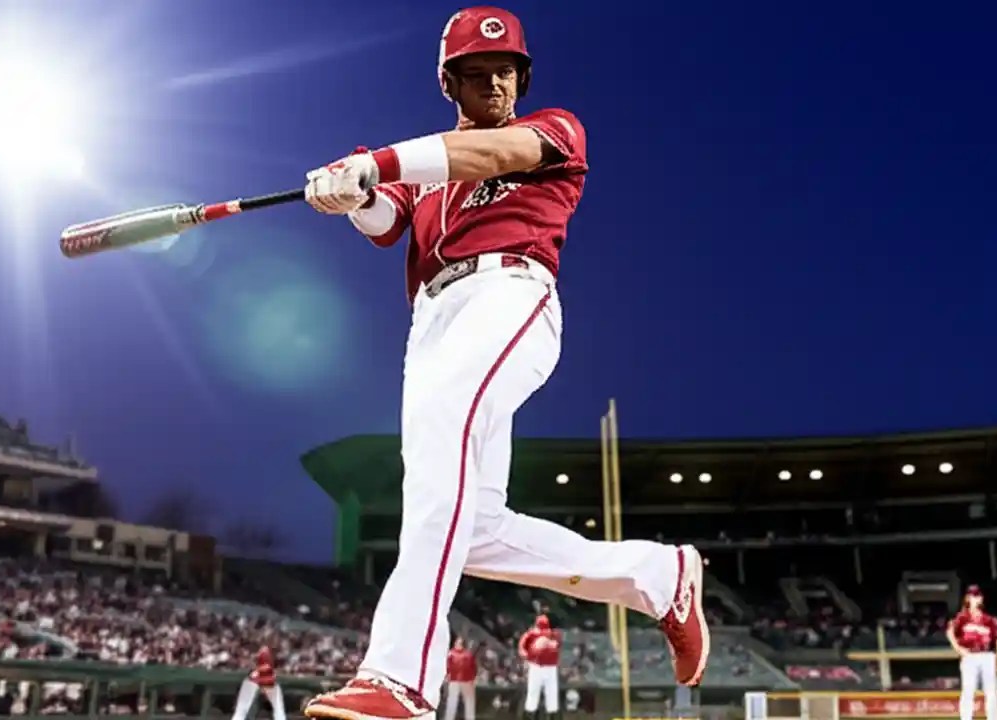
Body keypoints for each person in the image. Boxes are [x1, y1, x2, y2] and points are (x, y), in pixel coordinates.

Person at [301, 6, 708, 720]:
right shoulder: (428, 171)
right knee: (474, 527)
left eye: (506, 70)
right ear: (446, 81)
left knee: (439, 469)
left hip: (507, 293)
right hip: (431, 320)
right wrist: (350, 192)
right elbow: (384, 218)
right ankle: (659, 574)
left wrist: (375, 162)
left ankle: (399, 676)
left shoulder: (554, 129)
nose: (494, 82)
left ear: (522, 76)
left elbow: (487, 157)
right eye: (474, 72)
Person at [947, 585, 997, 720]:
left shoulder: (989, 620)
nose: (976, 599)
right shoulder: (962, 618)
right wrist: (958, 648)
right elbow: (949, 631)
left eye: (978, 596)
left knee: (991, 692)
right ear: (967, 598)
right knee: (968, 691)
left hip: (987, 655)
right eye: (973, 596)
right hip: (969, 656)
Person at [519, 615, 562, 719]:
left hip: (544, 666)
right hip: (539, 666)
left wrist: (528, 656)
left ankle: (543, 716)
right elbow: (522, 649)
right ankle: (533, 716)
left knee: (545, 695)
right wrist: (528, 657)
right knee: (538, 694)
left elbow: (522, 649)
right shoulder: (532, 634)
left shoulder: (552, 634)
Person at [231, 646, 286, 720]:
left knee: (241, 710)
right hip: (263, 679)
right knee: (279, 710)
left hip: (258, 679)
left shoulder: (258, 668)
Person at [444, 637, 478, 720]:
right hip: (455, 680)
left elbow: (473, 668)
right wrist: (447, 675)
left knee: (468, 701)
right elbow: (447, 666)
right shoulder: (451, 654)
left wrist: (473, 679)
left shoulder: (468, 655)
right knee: (452, 701)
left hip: (466, 681)